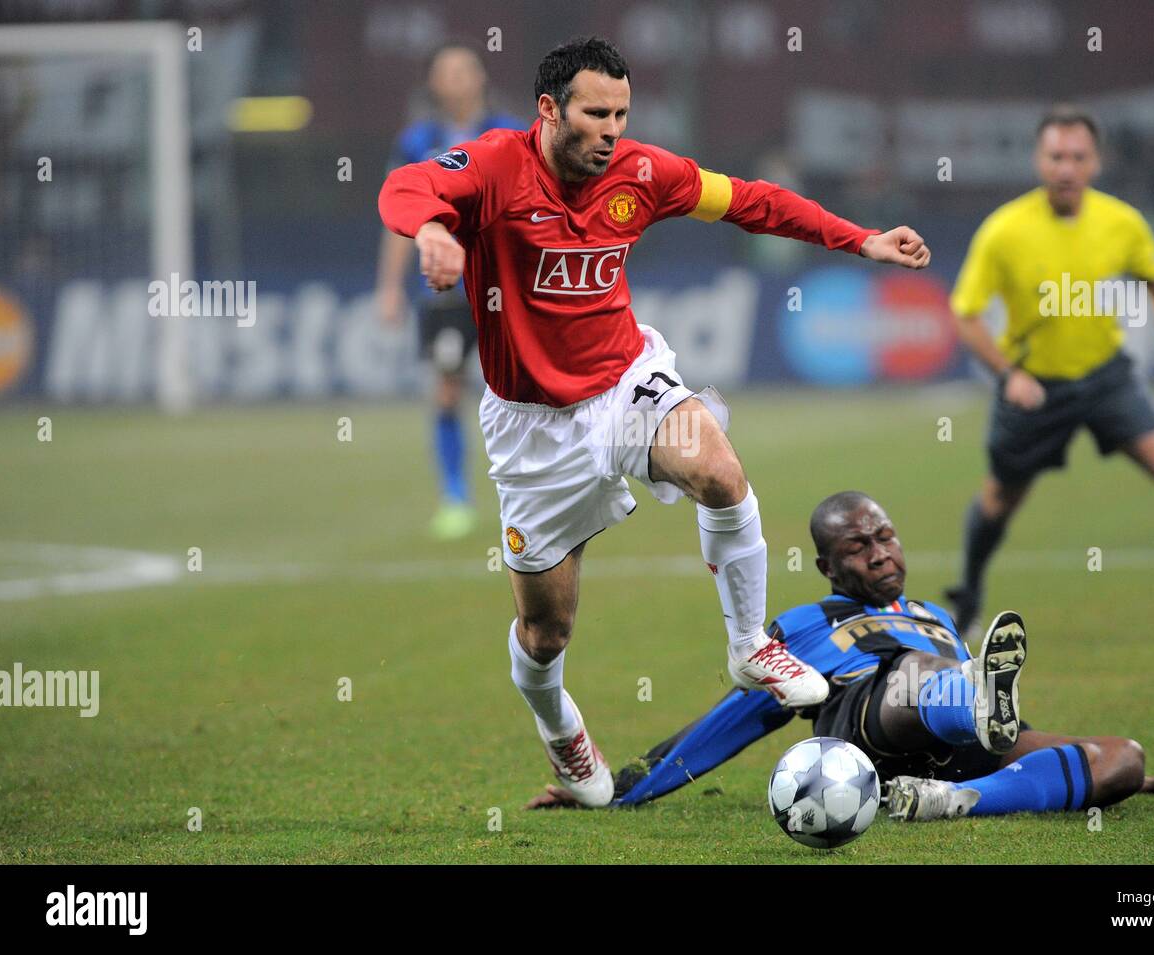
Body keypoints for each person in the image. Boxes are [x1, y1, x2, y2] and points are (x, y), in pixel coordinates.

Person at [378, 37, 931, 806]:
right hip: (534, 429)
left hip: (625, 381)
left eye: (622, 114)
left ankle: (750, 647)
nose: (611, 129)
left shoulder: (643, 172)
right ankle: (560, 727)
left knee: (721, 473)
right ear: (549, 110)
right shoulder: (497, 165)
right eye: (595, 113)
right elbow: (405, 187)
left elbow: (750, 201)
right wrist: (433, 231)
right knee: (546, 633)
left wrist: (858, 238)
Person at [526, 492, 1154, 820]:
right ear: (827, 564)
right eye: (858, 546)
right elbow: (730, 721)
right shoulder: (806, 624)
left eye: (885, 535)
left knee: (1123, 756)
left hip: (956, 744)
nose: (880, 551)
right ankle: (970, 700)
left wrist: (1100, 774)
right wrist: (622, 787)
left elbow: (1002, 728)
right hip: (866, 734)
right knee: (916, 673)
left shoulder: (935, 616)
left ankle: (956, 799)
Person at [944, 106, 1154, 639]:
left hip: (1107, 379)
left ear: (1095, 162)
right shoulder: (1004, 230)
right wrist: (1008, 374)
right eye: (1056, 156)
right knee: (998, 500)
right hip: (1034, 386)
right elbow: (964, 313)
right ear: (1039, 160)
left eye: (1078, 157)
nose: (1066, 168)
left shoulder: (1121, 222)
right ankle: (967, 598)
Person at [374, 41, 525, 540]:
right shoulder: (417, 141)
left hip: (504, 288)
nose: (456, 79)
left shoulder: (511, 134)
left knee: (521, 392)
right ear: (434, 84)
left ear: (480, 77)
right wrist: (390, 288)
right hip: (447, 291)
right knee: (446, 390)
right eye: (446, 72)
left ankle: (529, 492)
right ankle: (456, 497)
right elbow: (400, 219)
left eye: (464, 70)